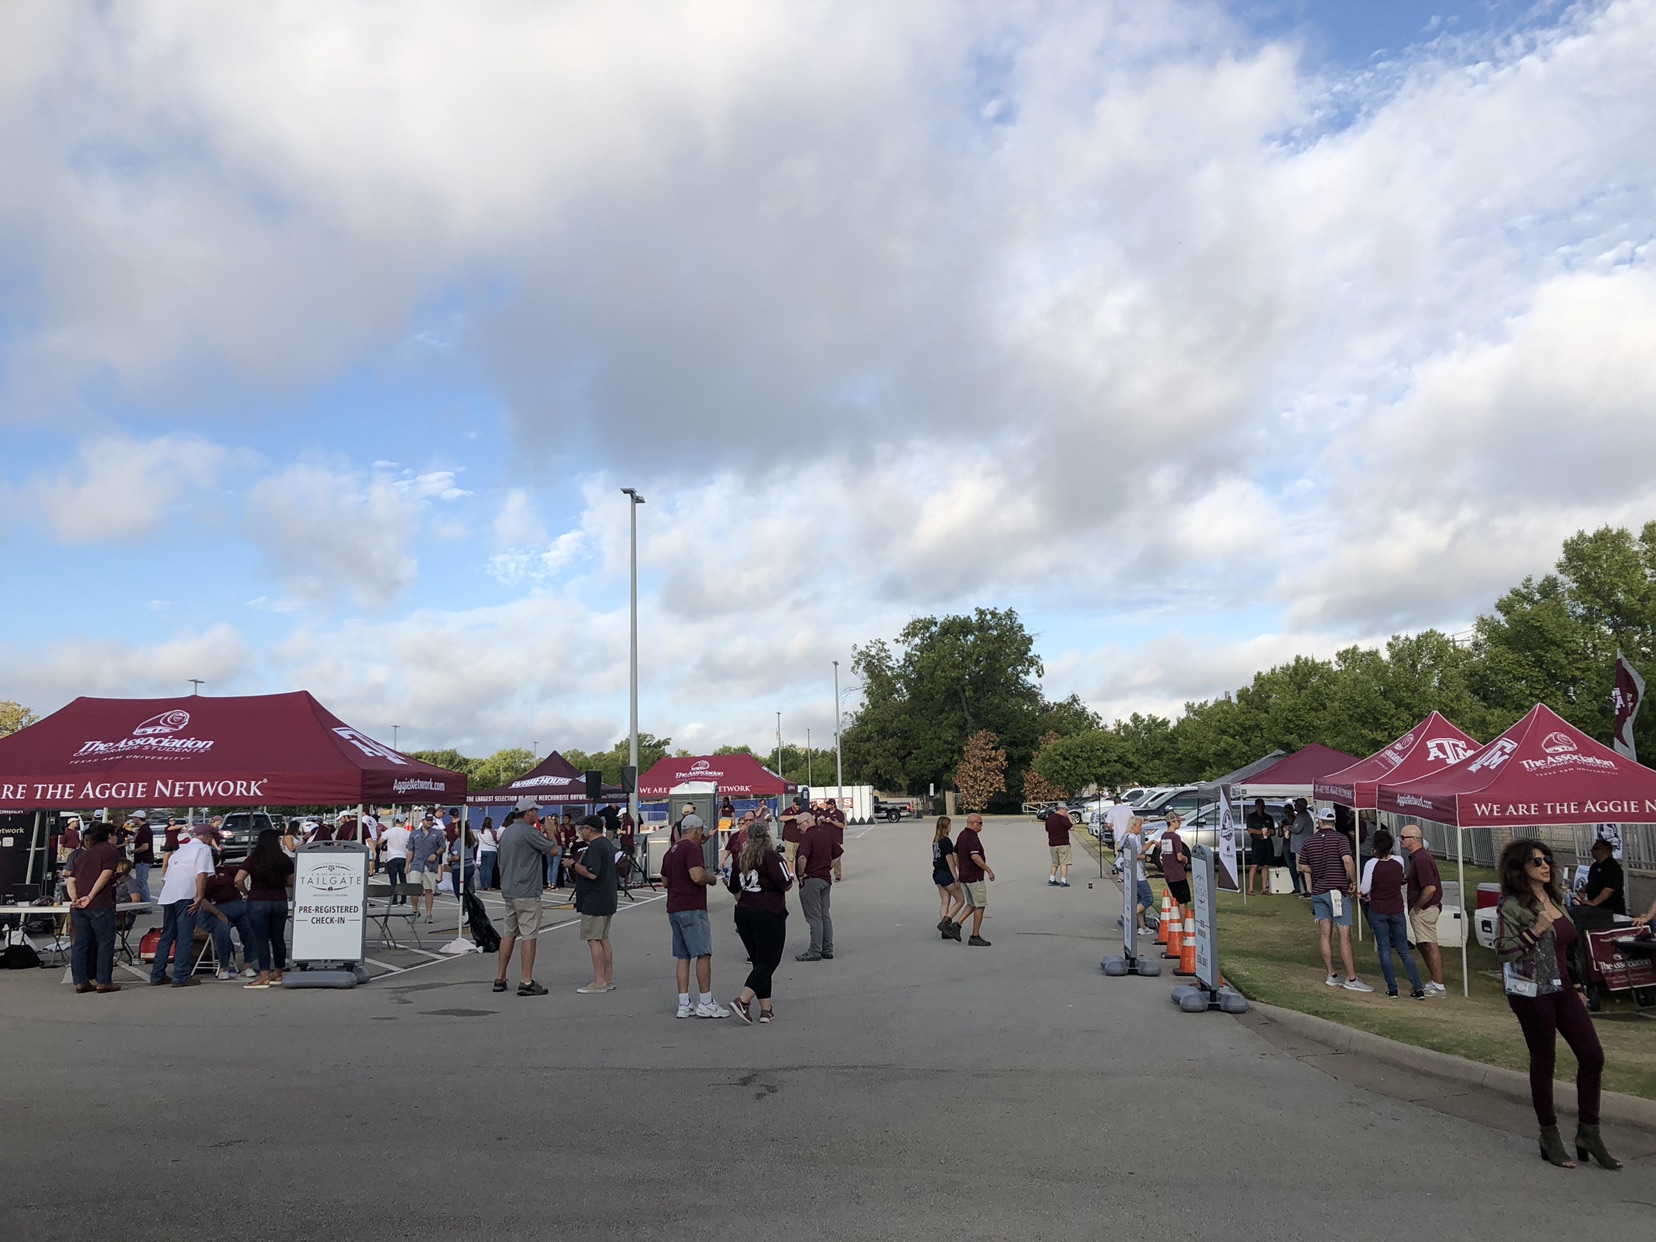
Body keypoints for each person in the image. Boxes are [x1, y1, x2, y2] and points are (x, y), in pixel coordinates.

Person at [1495, 838, 1618, 1170]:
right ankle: (1549, 1136)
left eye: (1547, 859)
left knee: (1592, 1055)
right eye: (1537, 861)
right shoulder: (1512, 905)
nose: (1546, 865)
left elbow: (1569, 946)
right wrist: (1535, 930)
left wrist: (1577, 984)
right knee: (1544, 1059)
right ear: (1521, 869)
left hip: (1562, 986)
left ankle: (1588, 1133)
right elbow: (1504, 950)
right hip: (1530, 990)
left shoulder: (1555, 899)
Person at [1296, 808, 1371, 992]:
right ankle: (1351, 978)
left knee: (1325, 934)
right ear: (1334, 822)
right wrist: (1354, 880)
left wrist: (1317, 871)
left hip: (1319, 892)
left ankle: (1331, 973)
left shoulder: (1310, 841)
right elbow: (1347, 860)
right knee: (1344, 934)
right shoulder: (1340, 839)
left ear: (1319, 821)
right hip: (1337, 891)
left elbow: (1302, 865)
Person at [660, 813, 727, 1018]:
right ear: (696, 831)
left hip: (674, 906)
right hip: (692, 906)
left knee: (683, 955)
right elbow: (697, 876)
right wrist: (711, 879)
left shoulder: (670, 851)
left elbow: (664, 881)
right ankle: (706, 1001)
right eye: (701, 832)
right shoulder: (692, 848)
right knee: (703, 952)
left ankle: (684, 1002)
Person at [730, 817, 792, 1023]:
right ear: (767, 837)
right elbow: (785, 883)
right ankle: (743, 1000)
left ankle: (766, 1009)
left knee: (759, 962)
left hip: (744, 912)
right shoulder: (772, 858)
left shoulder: (740, 858)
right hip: (768, 912)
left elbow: (733, 887)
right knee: (770, 960)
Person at [494, 801, 558, 996]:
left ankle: (501, 977)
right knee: (529, 935)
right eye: (535, 811)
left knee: (509, 933)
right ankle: (526, 980)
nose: (537, 814)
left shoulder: (507, 832)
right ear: (528, 812)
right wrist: (551, 831)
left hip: (509, 890)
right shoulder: (529, 832)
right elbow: (553, 850)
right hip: (527, 890)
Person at [148, 822, 217, 987]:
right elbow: (201, 874)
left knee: (167, 936)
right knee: (184, 936)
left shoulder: (180, 850)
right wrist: (200, 896)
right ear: (206, 836)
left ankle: (157, 974)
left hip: (169, 894)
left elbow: (166, 871)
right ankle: (181, 975)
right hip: (186, 894)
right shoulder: (203, 849)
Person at [1360, 829, 1425, 999]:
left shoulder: (1371, 865)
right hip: (1396, 909)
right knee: (1403, 949)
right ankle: (1417, 987)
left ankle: (1392, 987)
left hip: (1378, 908)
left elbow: (1365, 889)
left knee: (1384, 948)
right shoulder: (1399, 861)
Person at [66, 823, 122, 994]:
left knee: (80, 944)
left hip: (79, 906)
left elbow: (71, 879)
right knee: (105, 941)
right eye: (115, 835)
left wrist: (74, 898)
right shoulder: (111, 852)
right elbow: (105, 875)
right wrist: (90, 896)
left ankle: (80, 981)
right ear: (109, 836)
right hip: (99, 903)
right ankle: (104, 981)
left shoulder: (83, 855)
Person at [236, 829, 294, 989]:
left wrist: (246, 893)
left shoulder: (254, 859)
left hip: (258, 900)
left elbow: (238, 879)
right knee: (278, 938)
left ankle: (264, 976)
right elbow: (291, 881)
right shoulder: (283, 859)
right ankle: (278, 972)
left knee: (261, 939)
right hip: (280, 901)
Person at [571, 816, 618, 993]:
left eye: (582, 828)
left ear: (590, 829)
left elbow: (592, 873)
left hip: (595, 899)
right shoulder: (606, 844)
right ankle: (608, 978)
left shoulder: (595, 847)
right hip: (607, 897)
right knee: (604, 938)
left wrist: (573, 865)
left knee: (593, 939)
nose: (580, 831)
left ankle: (599, 982)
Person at [1399, 823, 1447, 996]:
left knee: (1429, 944)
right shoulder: (1416, 858)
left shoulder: (1422, 859)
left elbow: (1430, 888)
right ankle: (1435, 980)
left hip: (1425, 908)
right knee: (1423, 944)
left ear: (1415, 839)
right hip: (1421, 906)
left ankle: (1438, 984)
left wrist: (1418, 906)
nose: (1401, 840)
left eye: (1403, 838)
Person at [795, 811, 843, 961]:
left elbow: (802, 857)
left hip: (811, 879)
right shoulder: (826, 834)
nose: (797, 828)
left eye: (799, 824)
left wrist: (801, 874)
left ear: (807, 822)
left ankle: (815, 950)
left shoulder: (808, 836)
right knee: (824, 915)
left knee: (814, 917)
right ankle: (827, 948)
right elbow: (838, 853)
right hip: (825, 879)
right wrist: (827, 866)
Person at [202, 857, 257, 980]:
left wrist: (246, 892)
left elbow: (241, 874)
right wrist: (217, 913)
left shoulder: (227, 870)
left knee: (249, 929)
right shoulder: (202, 875)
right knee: (222, 932)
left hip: (237, 905)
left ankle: (248, 964)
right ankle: (224, 966)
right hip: (214, 908)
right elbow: (201, 900)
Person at [954, 812, 996, 946]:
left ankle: (957, 925)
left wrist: (960, 869)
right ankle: (975, 935)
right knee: (980, 905)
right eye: (980, 823)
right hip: (974, 877)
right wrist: (988, 870)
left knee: (971, 903)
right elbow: (975, 856)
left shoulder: (962, 835)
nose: (982, 826)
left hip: (965, 876)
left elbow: (955, 853)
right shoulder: (972, 837)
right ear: (973, 823)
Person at [1120, 816, 1157, 935]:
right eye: (1139, 825)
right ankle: (1130, 915)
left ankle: (1142, 926)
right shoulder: (1132, 838)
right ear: (1133, 826)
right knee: (1148, 898)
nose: (1141, 828)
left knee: (1139, 900)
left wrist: (1151, 843)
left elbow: (1139, 850)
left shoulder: (1125, 837)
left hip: (1129, 874)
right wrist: (1146, 858)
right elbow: (1134, 855)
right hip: (1137, 875)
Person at [407, 813, 447, 924]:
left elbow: (443, 847)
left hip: (430, 866)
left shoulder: (437, 833)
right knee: (413, 889)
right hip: (416, 864)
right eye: (427, 820)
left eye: (430, 820)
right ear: (422, 820)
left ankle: (429, 914)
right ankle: (415, 910)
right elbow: (410, 850)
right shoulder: (414, 834)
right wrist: (407, 865)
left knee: (429, 890)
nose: (429, 822)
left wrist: (435, 853)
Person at [932, 816, 967, 940]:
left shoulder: (936, 840)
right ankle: (945, 922)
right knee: (960, 900)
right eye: (950, 825)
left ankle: (945, 931)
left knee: (945, 901)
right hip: (946, 874)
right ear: (946, 826)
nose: (951, 827)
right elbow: (950, 860)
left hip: (937, 873)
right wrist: (956, 877)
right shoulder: (945, 841)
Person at [1577, 839, 1626, 915]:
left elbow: (1609, 889)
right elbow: (1593, 882)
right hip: (1596, 909)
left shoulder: (1612, 867)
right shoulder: (1595, 866)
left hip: (1610, 909)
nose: (1591, 851)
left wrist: (1594, 902)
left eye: (1594, 848)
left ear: (1601, 850)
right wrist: (1584, 889)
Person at [1161, 812, 1192, 913]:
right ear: (1172, 822)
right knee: (1183, 901)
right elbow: (1179, 857)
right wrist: (1185, 859)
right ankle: (1182, 925)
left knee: (1176, 898)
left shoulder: (1163, 836)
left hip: (1168, 874)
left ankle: (1174, 920)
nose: (1180, 823)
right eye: (1178, 821)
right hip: (1178, 874)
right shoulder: (1175, 837)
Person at [1245, 799, 1273, 896]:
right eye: (1259, 805)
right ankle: (1251, 888)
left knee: (1266, 865)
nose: (1261, 807)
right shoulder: (1251, 817)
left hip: (1267, 843)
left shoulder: (1268, 817)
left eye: (1262, 805)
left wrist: (1269, 832)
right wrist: (1261, 832)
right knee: (1255, 865)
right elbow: (1250, 830)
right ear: (1256, 806)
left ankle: (1264, 888)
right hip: (1257, 843)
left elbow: (1273, 830)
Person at [382, 814, 412, 903]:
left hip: (392, 857)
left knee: (393, 879)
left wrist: (384, 846)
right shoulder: (408, 833)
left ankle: (394, 899)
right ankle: (403, 899)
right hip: (403, 857)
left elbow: (380, 841)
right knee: (403, 879)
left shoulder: (389, 831)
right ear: (403, 822)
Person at [128, 810, 156, 903]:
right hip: (142, 860)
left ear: (138, 818)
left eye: (134, 818)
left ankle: (146, 905)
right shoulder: (142, 829)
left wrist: (133, 851)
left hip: (143, 860)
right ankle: (144, 903)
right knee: (141, 883)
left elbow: (145, 846)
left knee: (142, 883)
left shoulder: (145, 830)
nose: (132, 820)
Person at [1288, 799, 1315, 897]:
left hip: (1301, 847)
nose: (1295, 805)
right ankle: (1307, 889)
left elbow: (1297, 829)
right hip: (1302, 846)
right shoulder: (1303, 815)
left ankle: (1309, 890)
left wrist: (1288, 828)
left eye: (1297, 804)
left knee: (1304, 869)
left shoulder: (1302, 816)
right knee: (1303, 869)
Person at [1044, 803, 1074, 887]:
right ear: (1062, 809)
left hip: (1052, 843)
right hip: (1063, 843)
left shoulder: (1049, 818)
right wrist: (1070, 819)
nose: (1066, 812)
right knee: (1064, 862)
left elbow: (1047, 829)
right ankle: (1063, 881)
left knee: (1055, 863)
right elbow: (1071, 827)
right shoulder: (1062, 818)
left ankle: (1051, 879)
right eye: (1066, 810)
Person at [780, 797, 806, 874]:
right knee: (790, 857)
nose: (798, 806)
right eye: (797, 804)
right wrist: (793, 817)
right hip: (790, 838)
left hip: (800, 838)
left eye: (799, 805)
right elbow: (781, 818)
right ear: (793, 803)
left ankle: (800, 873)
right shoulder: (787, 811)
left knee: (800, 857)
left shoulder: (802, 812)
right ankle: (791, 873)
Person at [824, 797, 847, 881]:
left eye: (828, 804)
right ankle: (825, 873)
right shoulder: (825, 812)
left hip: (836, 839)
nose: (826, 805)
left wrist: (832, 822)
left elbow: (841, 825)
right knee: (825, 857)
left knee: (836, 856)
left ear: (833, 804)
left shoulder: (839, 813)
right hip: (826, 838)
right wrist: (821, 820)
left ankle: (838, 875)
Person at [476, 816, 500, 891]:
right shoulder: (492, 832)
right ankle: (489, 885)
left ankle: (483, 886)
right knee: (489, 869)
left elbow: (477, 841)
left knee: (482, 869)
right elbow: (497, 840)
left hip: (481, 851)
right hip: (491, 851)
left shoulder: (479, 832)